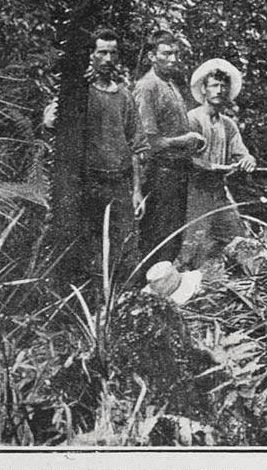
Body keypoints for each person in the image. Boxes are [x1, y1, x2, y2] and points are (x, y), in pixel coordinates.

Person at [80, 27, 147, 285]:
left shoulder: (124, 95)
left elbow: (136, 145)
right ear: (92, 55)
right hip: (89, 182)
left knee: (126, 248)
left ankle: (125, 305)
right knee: (92, 249)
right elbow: (52, 122)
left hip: (120, 183)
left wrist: (136, 191)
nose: (108, 59)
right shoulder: (80, 92)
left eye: (113, 53)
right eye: (102, 52)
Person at [135, 31, 205, 265]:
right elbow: (148, 142)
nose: (173, 58)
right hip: (159, 173)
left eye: (176, 53)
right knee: (157, 236)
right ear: (151, 56)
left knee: (173, 235)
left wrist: (190, 142)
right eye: (167, 53)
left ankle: (163, 294)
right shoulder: (147, 87)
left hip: (177, 171)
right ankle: (146, 293)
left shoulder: (170, 84)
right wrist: (185, 140)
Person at [179, 59, 256, 268]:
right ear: (204, 89)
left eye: (223, 86)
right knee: (192, 249)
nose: (219, 91)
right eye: (214, 85)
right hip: (195, 193)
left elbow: (242, 153)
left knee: (239, 240)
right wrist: (213, 167)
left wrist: (248, 160)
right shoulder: (192, 119)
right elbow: (184, 160)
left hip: (219, 193)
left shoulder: (228, 124)